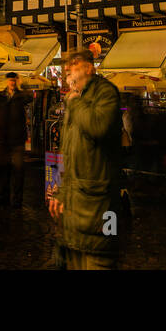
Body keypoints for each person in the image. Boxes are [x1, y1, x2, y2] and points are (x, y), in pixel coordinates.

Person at [47, 49, 123, 269]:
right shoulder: (76, 98)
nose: (68, 69)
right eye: (67, 65)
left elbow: (98, 126)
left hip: (99, 207)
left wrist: (74, 103)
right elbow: (69, 153)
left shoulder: (105, 93)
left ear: (89, 68)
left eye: (74, 64)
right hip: (75, 208)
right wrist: (60, 192)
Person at [0, 73, 31, 208]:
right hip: (3, 139)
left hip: (17, 139)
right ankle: (2, 196)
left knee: (18, 170)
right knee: (3, 169)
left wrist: (22, 84)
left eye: (14, 80)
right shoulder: (0, 96)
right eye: (10, 80)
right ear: (6, 81)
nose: (12, 82)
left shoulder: (21, 96)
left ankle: (17, 200)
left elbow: (29, 97)